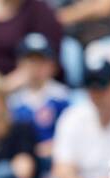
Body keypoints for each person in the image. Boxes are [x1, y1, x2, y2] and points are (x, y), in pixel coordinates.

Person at [7, 33, 69, 169]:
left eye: (41, 61)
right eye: (30, 60)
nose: (36, 67)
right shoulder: (13, 101)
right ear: (20, 64)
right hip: (23, 161)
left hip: (56, 159)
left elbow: (72, 133)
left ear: (52, 64)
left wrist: (55, 145)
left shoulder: (61, 96)